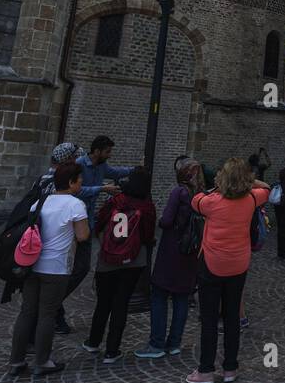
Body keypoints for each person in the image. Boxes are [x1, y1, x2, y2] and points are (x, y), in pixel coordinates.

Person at [186, 157, 269, 383]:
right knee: (233, 317)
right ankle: (230, 368)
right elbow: (267, 188)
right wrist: (249, 182)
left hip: (212, 263)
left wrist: (220, 186)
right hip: (238, 263)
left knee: (210, 318)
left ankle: (205, 370)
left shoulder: (211, 201)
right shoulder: (252, 198)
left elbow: (195, 200)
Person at [9, 160, 88, 379]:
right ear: (71, 183)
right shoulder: (75, 205)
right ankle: (42, 361)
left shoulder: (40, 203)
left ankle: (16, 360)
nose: (82, 183)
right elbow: (83, 236)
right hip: (56, 267)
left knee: (27, 311)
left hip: (33, 265)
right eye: (80, 180)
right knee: (47, 314)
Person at [55, 136, 130, 335]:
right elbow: (73, 191)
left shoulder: (103, 167)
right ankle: (53, 306)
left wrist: (136, 170)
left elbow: (115, 172)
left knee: (82, 268)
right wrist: (102, 188)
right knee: (65, 268)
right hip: (72, 224)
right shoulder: (79, 165)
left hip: (87, 223)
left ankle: (54, 302)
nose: (109, 155)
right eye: (107, 151)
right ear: (96, 151)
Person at [83, 168, 156, 364]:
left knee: (103, 302)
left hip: (108, 258)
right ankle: (112, 350)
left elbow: (99, 223)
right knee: (121, 303)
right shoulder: (147, 206)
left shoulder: (116, 201)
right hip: (134, 260)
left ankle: (93, 341)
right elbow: (148, 236)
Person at [137, 158, 203, 359]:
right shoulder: (200, 195)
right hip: (191, 251)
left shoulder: (179, 192)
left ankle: (156, 344)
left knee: (159, 295)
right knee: (182, 297)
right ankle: (174, 343)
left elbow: (166, 220)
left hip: (172, 249)